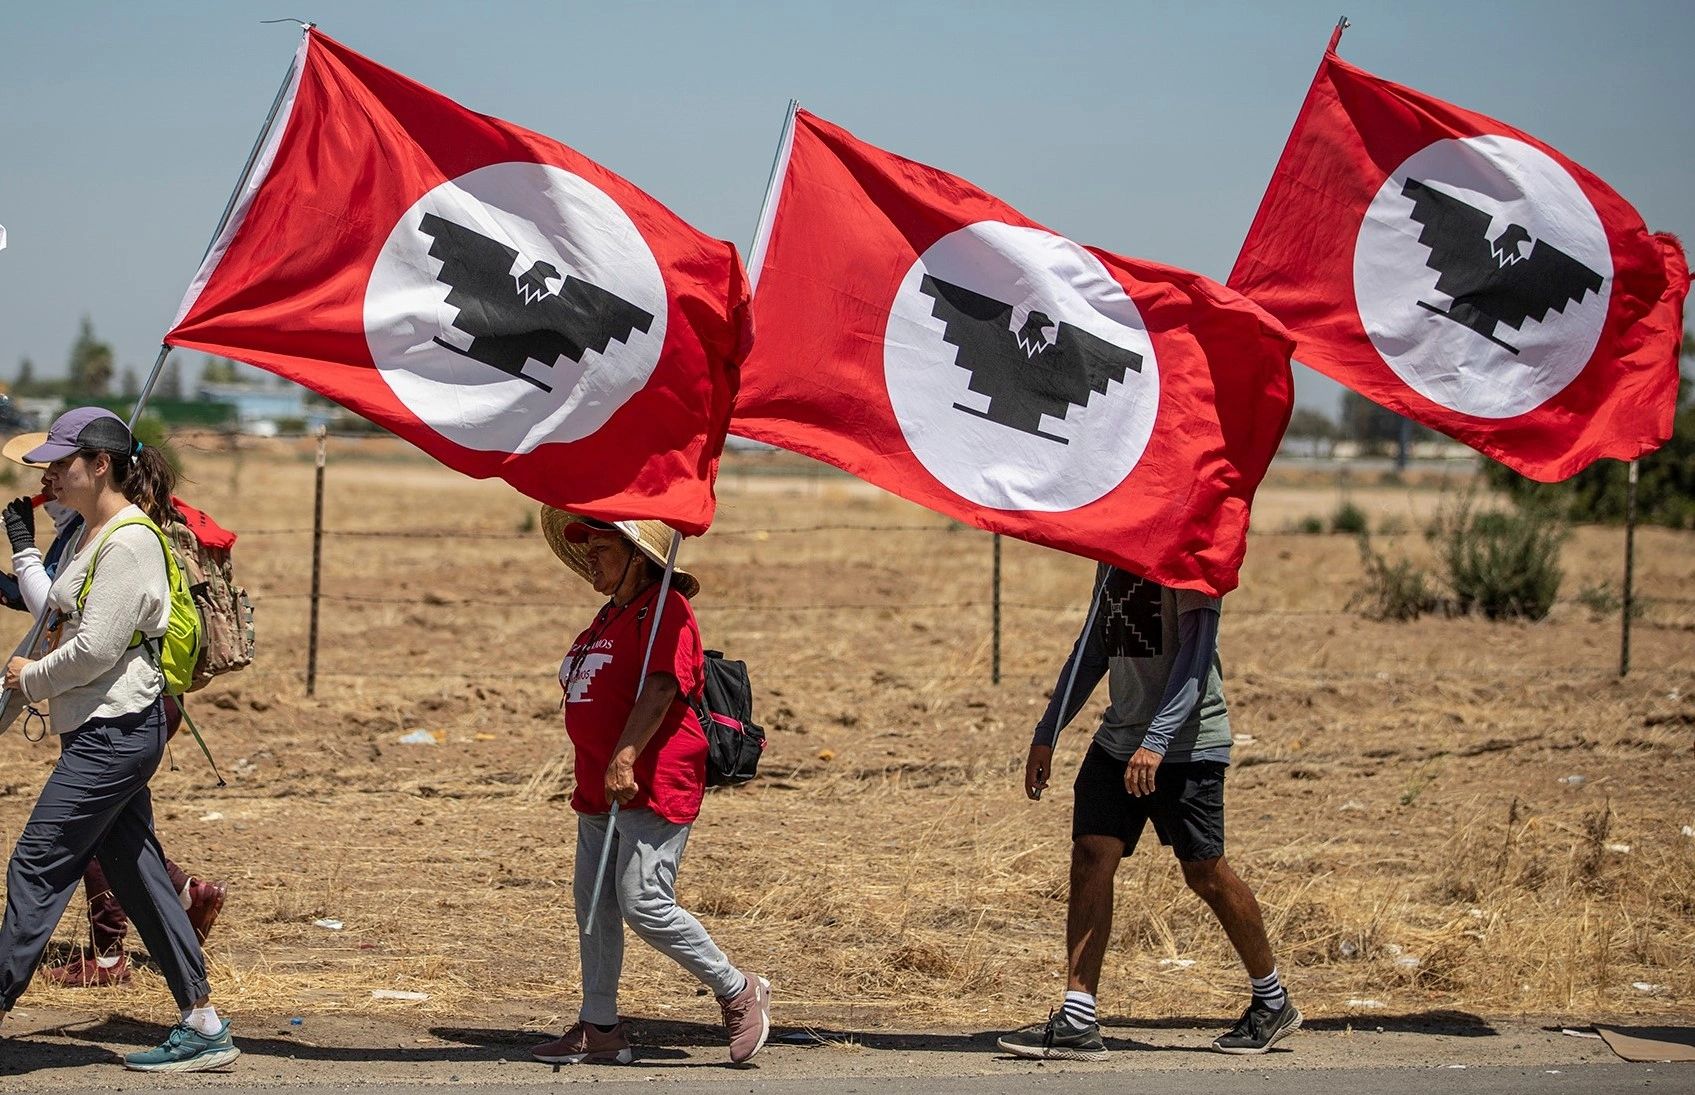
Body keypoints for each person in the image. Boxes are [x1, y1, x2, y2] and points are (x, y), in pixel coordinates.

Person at [0, 408, 238, 1072]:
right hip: (106, 728)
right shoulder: (91, 532)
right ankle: (203, 1024)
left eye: (61, 460)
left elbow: (95, 649)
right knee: (136, 874)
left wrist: (30, 676)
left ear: (99, 463)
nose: (48, 470)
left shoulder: (127, 540)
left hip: (118, 729)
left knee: (39, 859)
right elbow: (60, 611)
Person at [998, 566, 1299, 1060]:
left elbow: (1196, 658)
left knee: (1206, 874)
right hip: (1120, 739)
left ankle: (1272, 1000)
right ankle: (1077, 1017)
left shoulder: (1191, 555)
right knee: (1091, 856)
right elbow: (1093, 644)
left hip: (1188, 744)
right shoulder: (1112, 553)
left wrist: (1158, 740)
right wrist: (1047, 731)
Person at [531, 508, 770, 1067]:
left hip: (649, 778)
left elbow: (663, 685)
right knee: (594, 905)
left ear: (639, 556)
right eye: (586, 545)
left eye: (604, 547)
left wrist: (626, 754)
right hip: (600, 782)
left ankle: (737, 989)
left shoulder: (667, 612)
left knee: (643, 902)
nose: (590, 554)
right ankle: (600, 1026)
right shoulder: (609, 616)